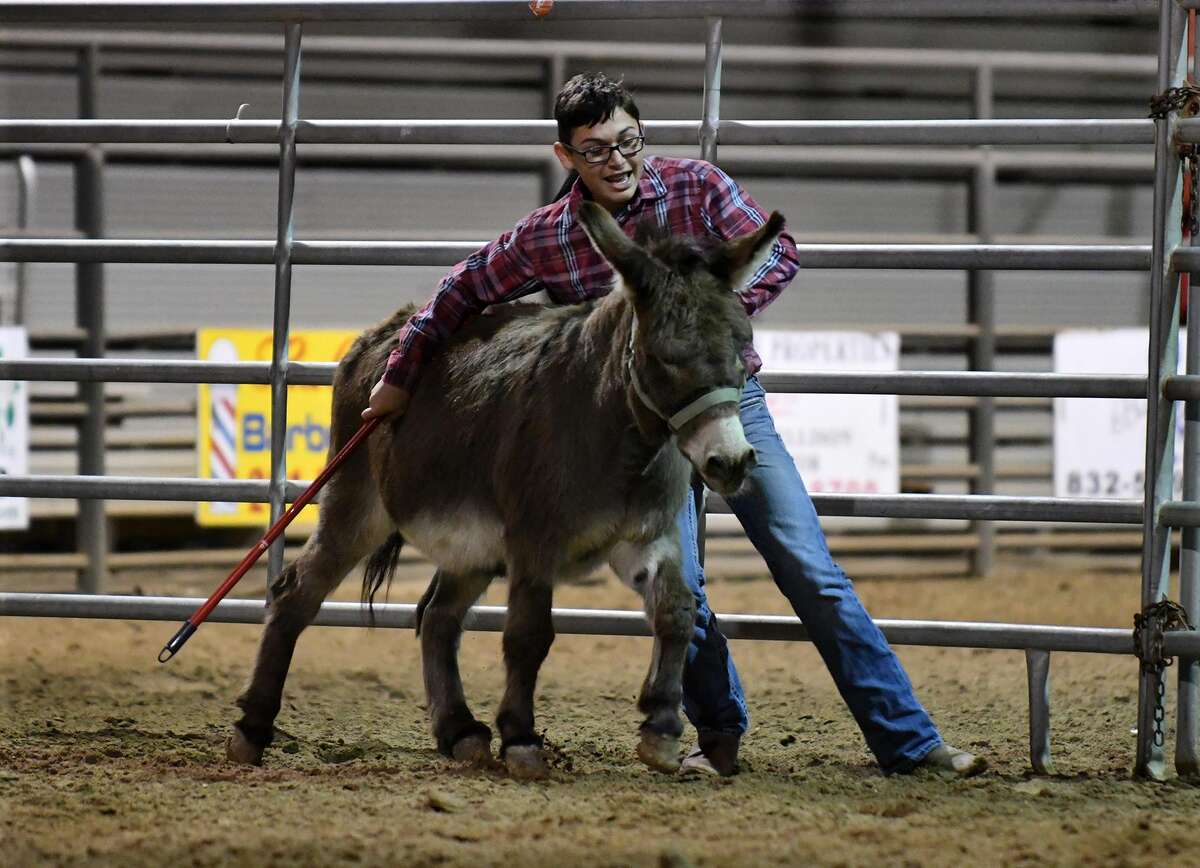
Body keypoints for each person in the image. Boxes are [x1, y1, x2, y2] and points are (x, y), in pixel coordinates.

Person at [363, 72, 986, 779]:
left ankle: (908, 741)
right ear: (566, 156)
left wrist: (710, 298)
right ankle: (718, 734)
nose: (617, 161)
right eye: (595, 150)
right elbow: (461, 289)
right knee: (679, 586)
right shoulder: (547, 236)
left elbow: (779, 251)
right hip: (629, 433)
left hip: (724, 400)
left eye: (627, 141)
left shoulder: (699, 187)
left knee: (809, 569)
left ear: (642, 134)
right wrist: (398, 376)